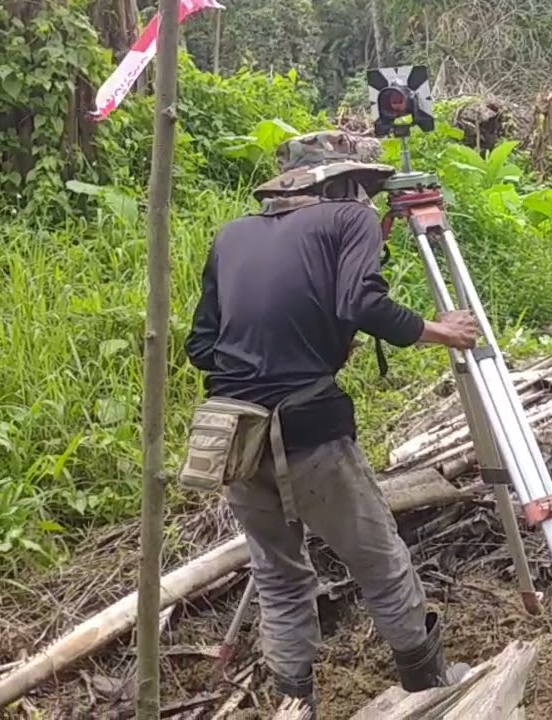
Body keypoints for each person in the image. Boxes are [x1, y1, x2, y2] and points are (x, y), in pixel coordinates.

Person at [183, 130, 477, 716]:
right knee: (378, 559)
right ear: (339, 185)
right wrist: (439, 330)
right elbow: (361, 304)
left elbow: (201, 345)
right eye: (361, 189)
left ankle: (295, 703)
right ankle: (430, 684)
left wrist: (258, 372)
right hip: (310, 424)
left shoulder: (232, 234)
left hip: (231, 433)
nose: (367, 200)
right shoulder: (350, 220)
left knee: (278, 574)